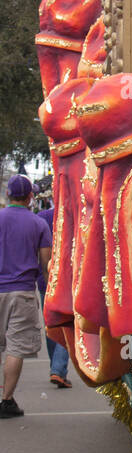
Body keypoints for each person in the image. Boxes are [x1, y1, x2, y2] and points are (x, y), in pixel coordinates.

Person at [0, 174, 51, 418]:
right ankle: (6, 400)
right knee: (16, 347)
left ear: (8, 195)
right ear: (30, 197)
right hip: (22, 291)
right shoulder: (38, 223)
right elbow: (46, 263)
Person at [36, 201, 71, 387]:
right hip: (69, 278)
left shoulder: (42, 217)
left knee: (50, 323)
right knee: (66, 323)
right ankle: (58, 369)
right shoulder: (73, 212)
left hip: (45, 280)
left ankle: (56, 367)